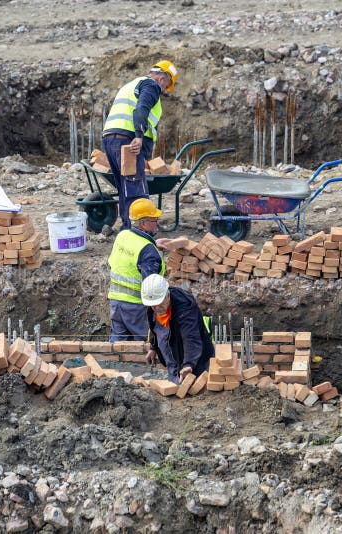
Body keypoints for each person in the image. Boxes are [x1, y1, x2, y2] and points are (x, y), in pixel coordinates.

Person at [102, 60, 178, 230]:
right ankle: (138, 232)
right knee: (136, 188)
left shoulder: (131, 85)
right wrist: (139, 136)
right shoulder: (151, 86)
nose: (165, 90)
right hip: (127, 142)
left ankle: (127, 228)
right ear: (162, 77)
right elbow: (141, 109)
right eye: (167, 85)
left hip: (110, 140)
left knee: (124, 188)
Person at [107, 198, 166, 342]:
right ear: (143, 223)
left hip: (116, 302)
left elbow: (126, 258)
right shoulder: (148, 251)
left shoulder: (122, 236)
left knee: (117, 346)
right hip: (136, 307)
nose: (157, 223)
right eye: (154, 220)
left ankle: (111, 363)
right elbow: (150, 286)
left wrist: (151, 245)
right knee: (146, 345)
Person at [141, 274, 214, 385]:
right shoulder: (154, 303)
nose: (156, 308)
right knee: (173, 388)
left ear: (167, 296)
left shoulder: (185, 308)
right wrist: (153, 347)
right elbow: (154, 327)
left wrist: (188, 364)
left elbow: (190, 337)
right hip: (171, 355)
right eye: (152, 305)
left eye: (158, 303)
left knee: (193, 387)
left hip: (193, 357)